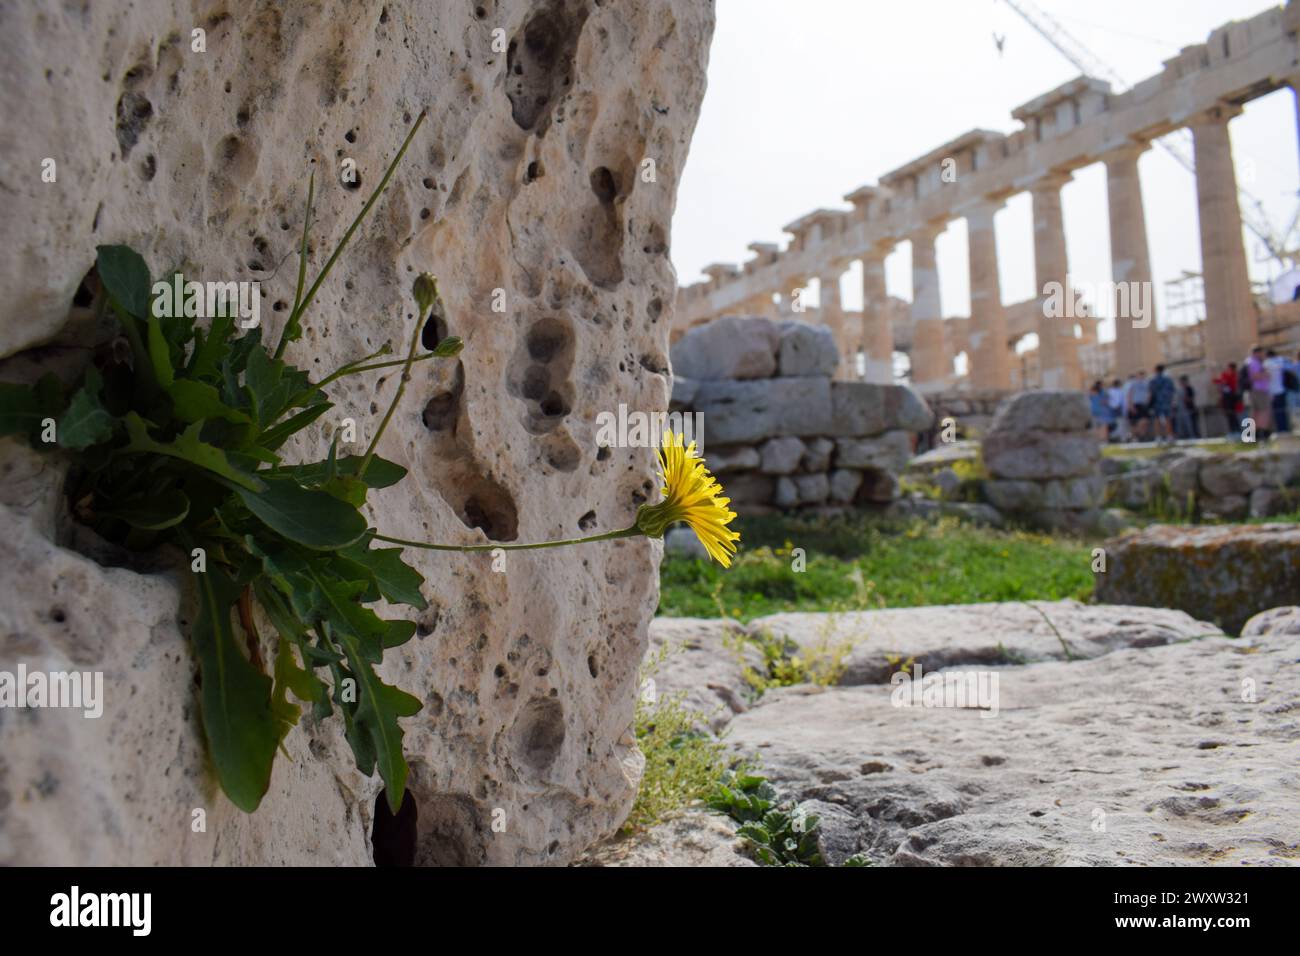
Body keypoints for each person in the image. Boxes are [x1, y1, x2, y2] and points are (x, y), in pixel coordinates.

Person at [1245, 346, 1273, 438]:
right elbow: (1254, 376)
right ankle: (1263, 432)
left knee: (1256, 412)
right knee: (1263, 411)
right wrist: (1266, 374)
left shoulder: (1249, 362)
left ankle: (1253, 434)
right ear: (1257, 353)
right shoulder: (1255, 363)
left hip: (1255, 390)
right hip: (1259, 390)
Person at [1266, 348, 1291, 434]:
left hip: (1272, 392)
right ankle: (1286, 428)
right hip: (1282, 389)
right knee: (1283, 410)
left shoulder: (1266, 364)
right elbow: (1289, 367)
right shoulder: (1281, 360)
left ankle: (1280, 429)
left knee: (1277, 412)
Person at [1149, 364, 1175, 444]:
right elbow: (1172, 391)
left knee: (1156, 420)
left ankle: (1158, 437)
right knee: (1168, 419)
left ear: (1156, 370)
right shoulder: (1168, 379)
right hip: (1166, 402)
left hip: (1157, 402)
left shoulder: (1153, 380)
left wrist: (1149, 403)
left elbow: (1151, 392)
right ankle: (1169, 436)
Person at [1213, 362, 1240, 436]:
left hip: (1232, 397)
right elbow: (1216, 381)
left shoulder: (1234, 375)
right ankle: (1232, 431)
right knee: (1228, 415)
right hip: (1226, 398)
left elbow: (1222, 382)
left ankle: (1236, 431)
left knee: (1233, 415)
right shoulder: (1225, 375)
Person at [1125, 371, 1151, 442]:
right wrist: (1131, 405)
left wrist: (1148, 402)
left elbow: (1149, 393)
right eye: (1140, 375)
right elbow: (1129, 395)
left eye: (1143, 375)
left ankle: (1142, 436)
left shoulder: (1146, 383)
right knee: (1135, 423)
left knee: (1144, 421)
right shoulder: (1133, 384)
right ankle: (1133, 436)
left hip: (1143, 404)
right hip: (1135, 404)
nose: (1142, 377)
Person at [1175, 374, 1201, 439]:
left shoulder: (1189, 389)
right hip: (1180, 410)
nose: (1181, 383)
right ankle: (1183, 436)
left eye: (1183, 381)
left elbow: (1191, 398)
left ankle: (1193, 435)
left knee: (1191, 423)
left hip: (1189, 409)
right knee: (1181, 424)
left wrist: (1186, 398)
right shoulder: (1179, 390)